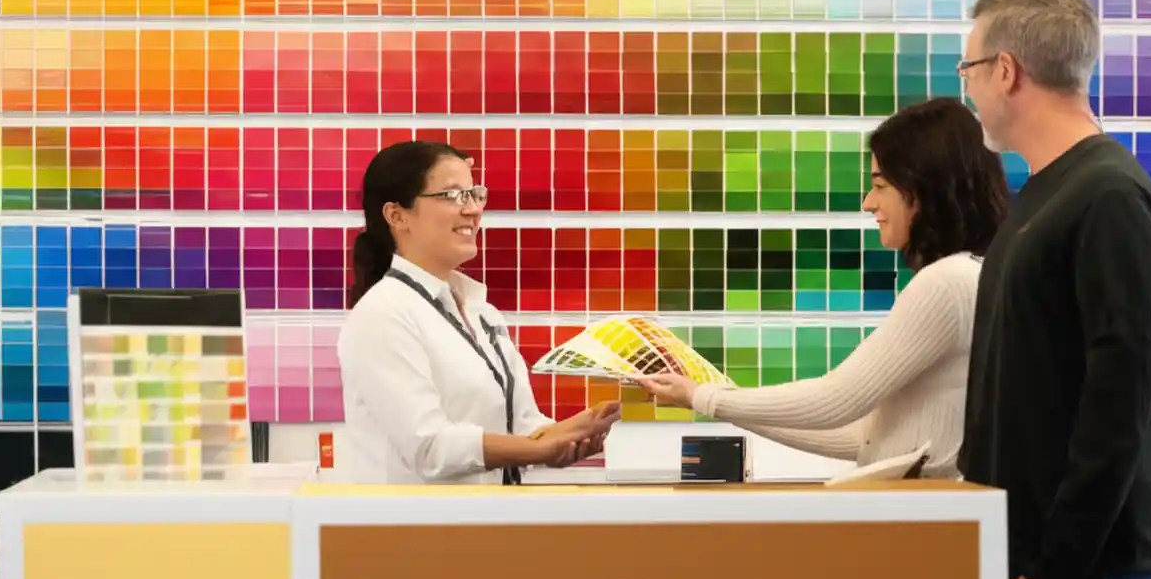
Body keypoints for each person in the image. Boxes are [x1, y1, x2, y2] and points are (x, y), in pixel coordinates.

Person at [957, 0, 1151, 579]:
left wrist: (1054, 573)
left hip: (1075, 578)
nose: (970, 93)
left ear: (1007, 70)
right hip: (1030, 558)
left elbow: (1119, 402)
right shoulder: (1048, 195)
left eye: (968, 72)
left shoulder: (1107, 196)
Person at [639, 97, 1010, 479]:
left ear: (925, 189)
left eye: (880, 185)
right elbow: (865, 436)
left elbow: (839, 399)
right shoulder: (976, 274)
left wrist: (704, 396)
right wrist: (717, 399)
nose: (869, 203)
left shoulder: (946, 283)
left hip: (922, 522)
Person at [337, 140, 621, 485]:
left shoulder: (481, 310)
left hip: (486, 524)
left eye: (474, 194)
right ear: (397, 215)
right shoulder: (382, 313)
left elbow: (520, 427)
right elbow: (429, 446)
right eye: (452, 195)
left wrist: (567, 434)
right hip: (415, 530)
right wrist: (540, 448)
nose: (472, 209)